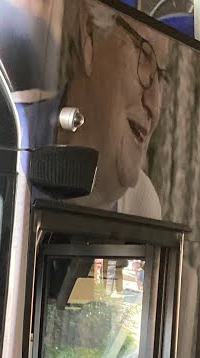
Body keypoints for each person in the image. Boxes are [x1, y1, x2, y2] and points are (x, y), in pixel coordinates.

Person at [57, 1, 170, 219]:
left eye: (162, 76)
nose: (154, 106)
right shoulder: (24, 160)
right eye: (144, 57)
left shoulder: (143, 204)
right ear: (88, 34)